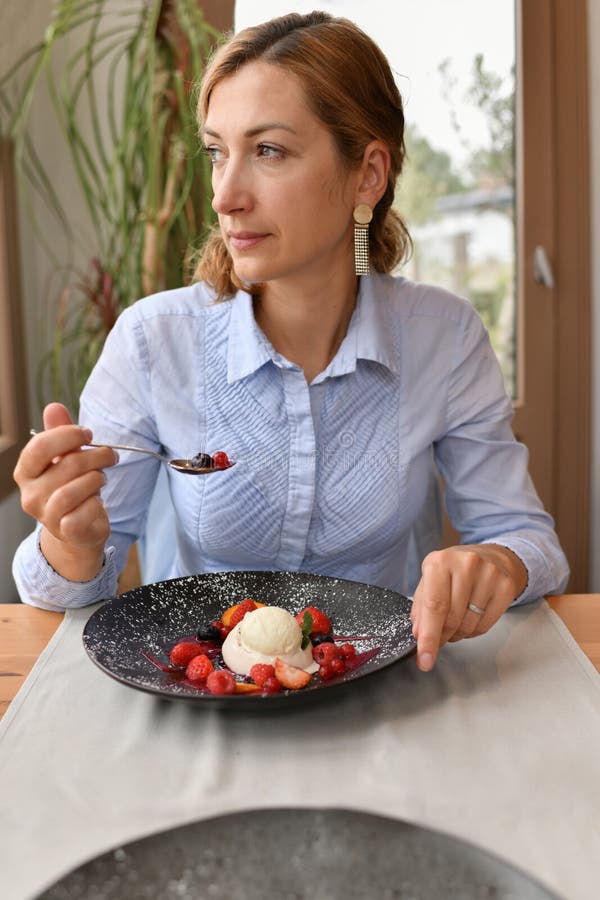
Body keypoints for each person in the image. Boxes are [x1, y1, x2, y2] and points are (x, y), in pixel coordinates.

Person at [12, 11, 568, 672]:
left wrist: (495, 560)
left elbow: (531, 542)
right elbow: (61, 591)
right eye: (218, 152)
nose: (224, 195)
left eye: (268, 151)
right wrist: (69, 541)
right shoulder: (153, 341)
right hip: (201, 703)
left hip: (379, 696)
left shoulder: (442, 338)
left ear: (367, 175)